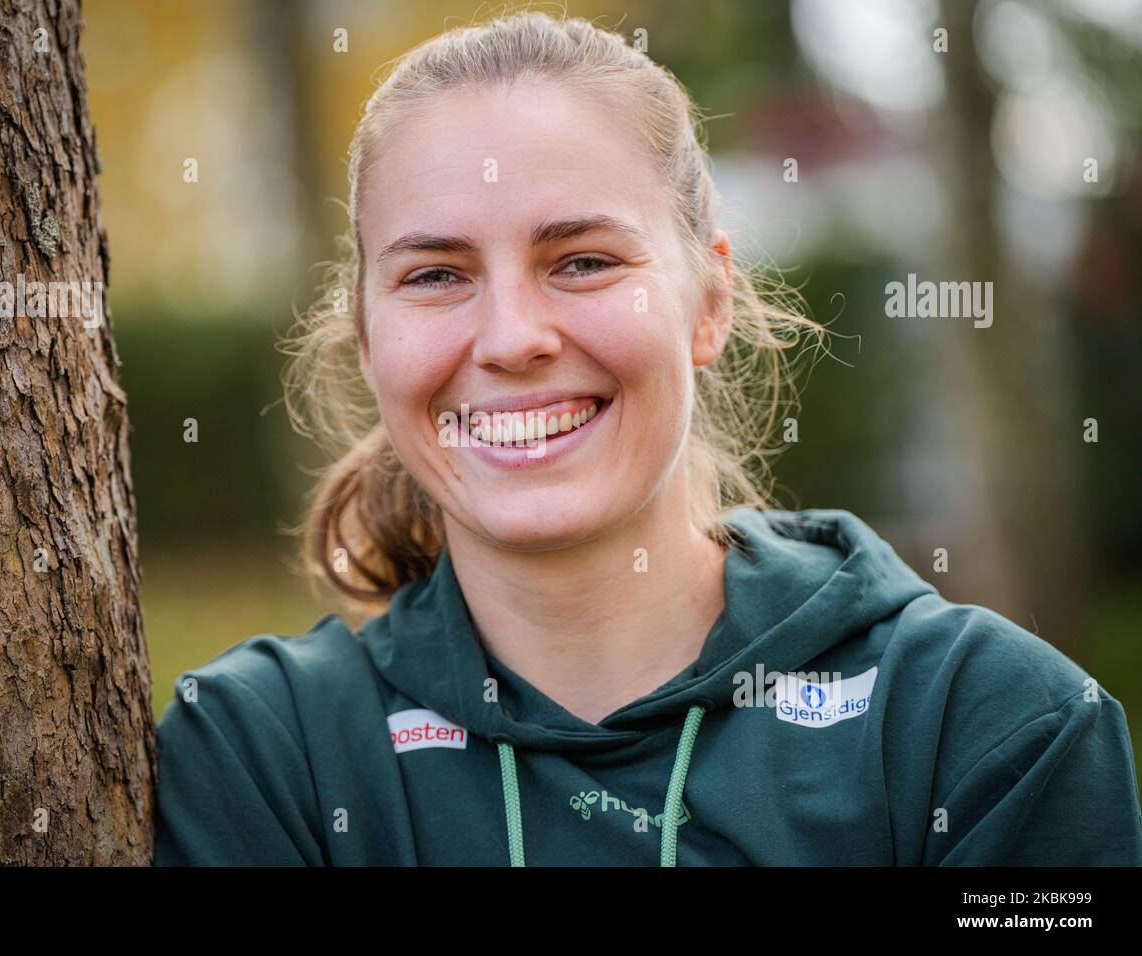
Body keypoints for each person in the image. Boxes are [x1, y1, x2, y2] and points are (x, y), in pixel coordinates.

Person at [153, 10, 1142, 866]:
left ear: (708, 301)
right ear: (368, 341)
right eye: (436, 275)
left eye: (580, 260)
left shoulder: (988, 725)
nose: (509, 339)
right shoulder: (261, 752)